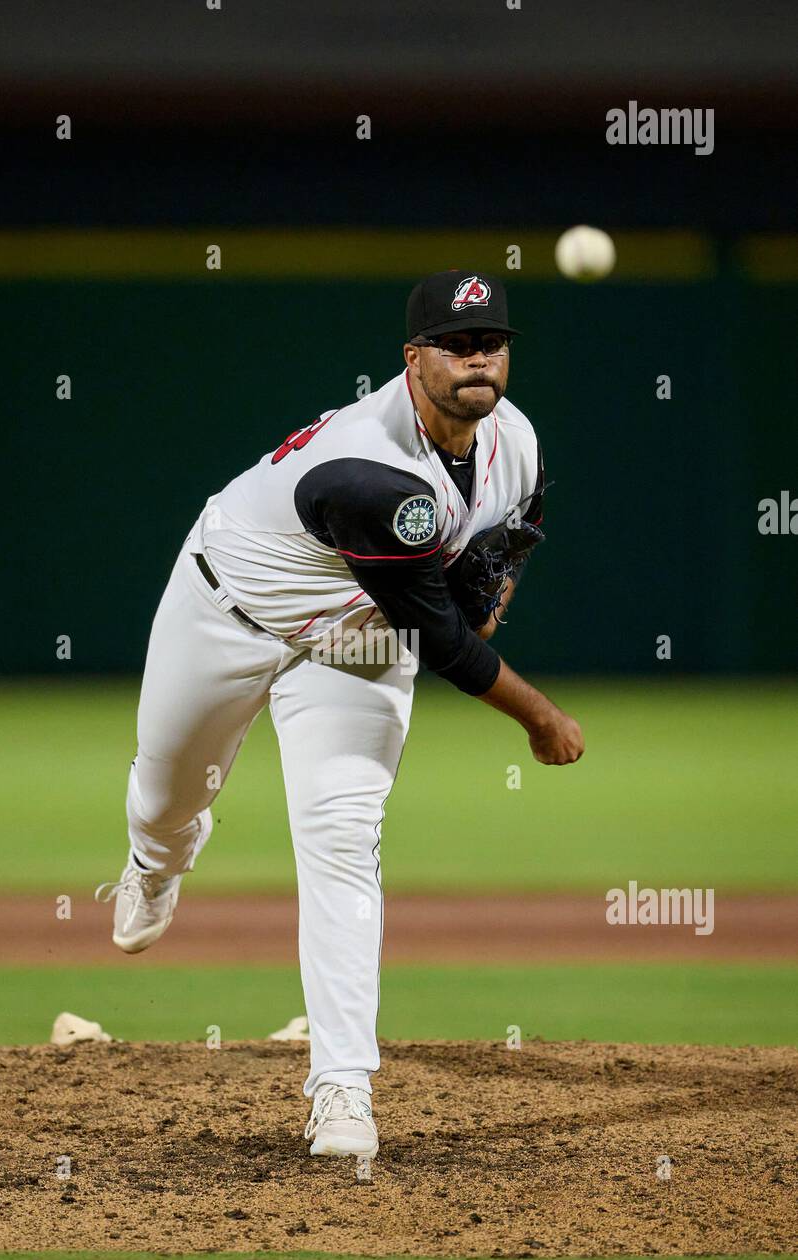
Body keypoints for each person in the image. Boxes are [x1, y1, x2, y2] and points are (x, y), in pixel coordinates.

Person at [96, 270, 584, 1159]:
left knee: (343, 834)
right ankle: (156, 858)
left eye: (492, 343)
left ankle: (342, 1090)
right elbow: (445, 643)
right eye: (456, 344)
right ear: (412, 360)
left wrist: (488, 596)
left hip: (353, 643)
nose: (478, 359)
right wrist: (539, 718)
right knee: (165, 795)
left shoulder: (516, 442)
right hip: (228, 611)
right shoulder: (371, 468)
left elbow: (501, 559)